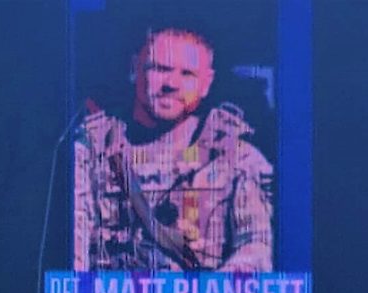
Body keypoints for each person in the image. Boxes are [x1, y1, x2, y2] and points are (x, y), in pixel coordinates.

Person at [75, 26, 273, 272]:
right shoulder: (94, 150)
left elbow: (257, 247)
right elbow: (75, 238)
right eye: (160, 69)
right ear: (134, 68)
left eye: (187, 74)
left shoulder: (236, 156)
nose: (171, 84)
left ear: (206, 83)